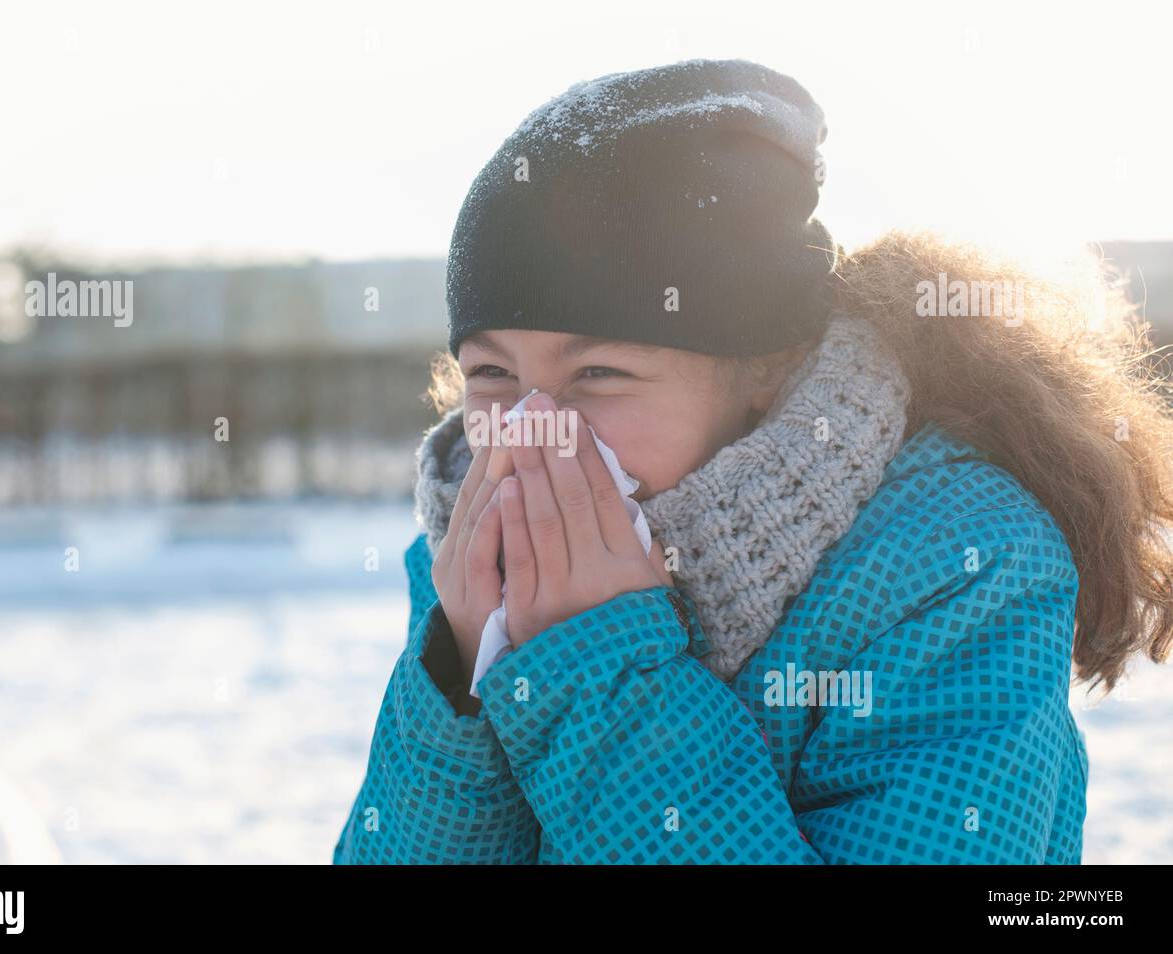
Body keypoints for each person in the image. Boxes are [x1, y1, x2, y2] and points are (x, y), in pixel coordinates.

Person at [333, 58, 1173, 864]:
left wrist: (598, 671)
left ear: (765, 368)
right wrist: (460, 684)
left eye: (598, 374)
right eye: (492, 374)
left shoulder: (958, 568)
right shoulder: (470, 558)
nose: (529, 434)